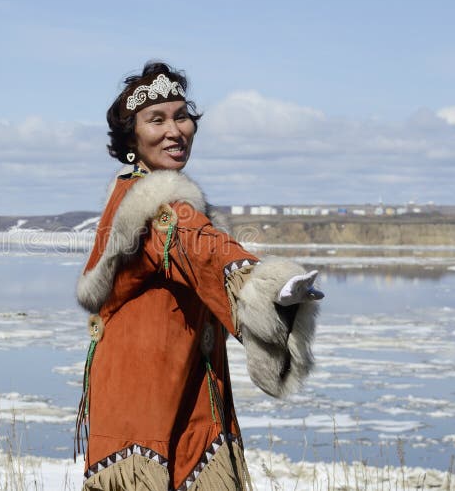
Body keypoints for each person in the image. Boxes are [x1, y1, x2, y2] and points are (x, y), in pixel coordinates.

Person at [75, 61, 323, 490]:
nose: (175, 130)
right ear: (132, 137)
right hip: (147, 398)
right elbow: (200, 245)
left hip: (182, 385)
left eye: (182, 116)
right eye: (157, 120)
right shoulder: (156, 206)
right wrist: (259, 284)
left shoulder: (144, 192)